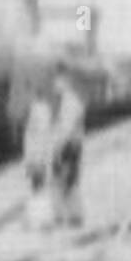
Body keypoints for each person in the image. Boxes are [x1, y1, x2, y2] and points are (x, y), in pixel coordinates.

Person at [50, 64, 85, 227]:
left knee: (61, 181)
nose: (54, 85)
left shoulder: (69, 102)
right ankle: (74, 216)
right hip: (73, 146)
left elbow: (66, 129)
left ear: (66, 82)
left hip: (68, 146)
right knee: (70, 181)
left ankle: (63, 217)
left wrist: (57, 149)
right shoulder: (71, 100)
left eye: (57, 82)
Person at [21, 80, 54, 229]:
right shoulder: (46, 110)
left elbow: (31, 134)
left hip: (36, 154)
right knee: (40, 186)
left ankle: (36, 219)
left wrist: (29, 159)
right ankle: (42, 218)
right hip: (42, 152)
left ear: (34, 96)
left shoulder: (34, 110)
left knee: (36, 187)